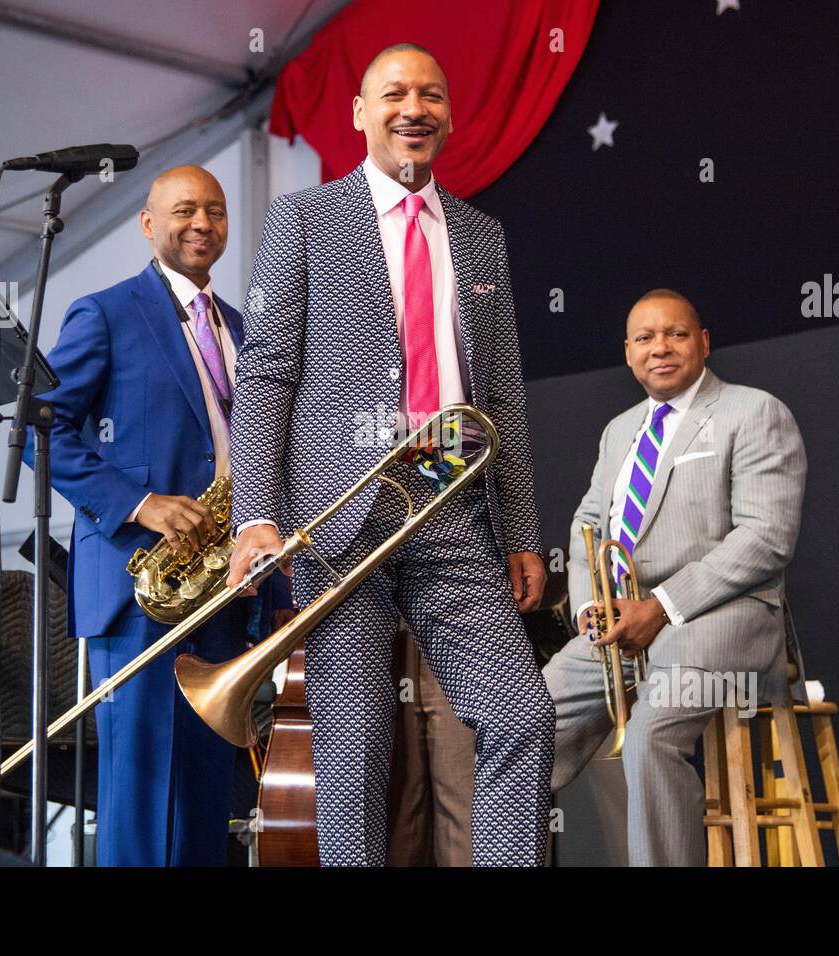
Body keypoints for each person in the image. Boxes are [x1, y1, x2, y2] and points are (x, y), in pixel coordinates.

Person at [227, 42, 554, 866]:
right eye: (396, 93)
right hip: (341, 521)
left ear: (449, 114)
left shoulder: (483, 236)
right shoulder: (304, 218)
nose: (416, 108)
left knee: (522, 715)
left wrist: (518, 527)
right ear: (360, 112)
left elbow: (503, 392)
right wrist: (256, 516)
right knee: (354, 748)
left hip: (452, 508)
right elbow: (265, 371)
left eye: (433, 95)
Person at [31, 165, 287, 866]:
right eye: (184, 210)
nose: (202, 223)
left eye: (215, 211)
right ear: (148, 224)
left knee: (207, 799)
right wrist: (139, 504)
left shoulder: (243, 328)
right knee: (143, 801)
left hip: (224, 592)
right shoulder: (103, 311)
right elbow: (40, 433)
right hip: (142, 592)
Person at [543, 289, 807, 866]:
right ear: (628, 353)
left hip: (720, 619)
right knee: (522, 723)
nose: (659, 347)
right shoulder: (619, 430)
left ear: (704, 342)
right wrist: (593, 609)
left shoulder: (753, 410)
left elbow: (766, 537)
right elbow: (590, 520)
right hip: (622, 623)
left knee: (650, 736)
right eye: (645, 338)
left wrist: (661, 606)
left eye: (676, 334)